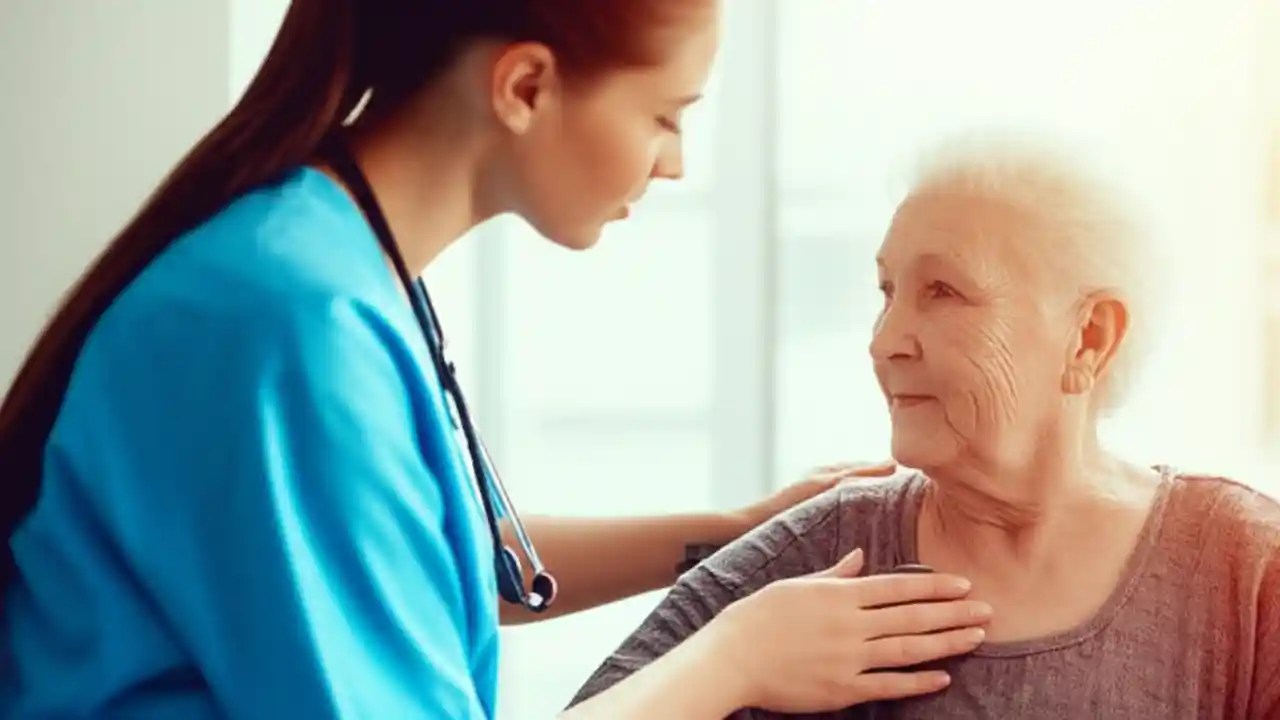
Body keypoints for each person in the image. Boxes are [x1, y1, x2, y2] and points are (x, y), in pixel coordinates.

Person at [0, 2, 995, 718]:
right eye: (664, 115)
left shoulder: (330, 261)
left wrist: (734, 534)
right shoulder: (292, 325)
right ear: (524, 86)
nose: (675, 162)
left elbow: (437, 565)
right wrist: (736, 657)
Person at [567, 136, 1280, 719]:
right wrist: (737, 660)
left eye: (943, 291)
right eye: (887, 291)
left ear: (1088, 338)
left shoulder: (1242, 566)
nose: (884, 341)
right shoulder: (813, 562)